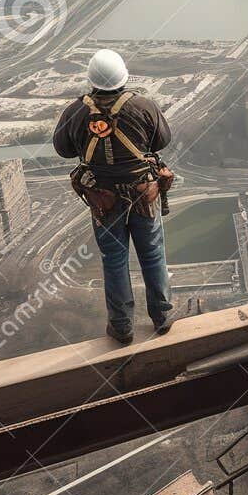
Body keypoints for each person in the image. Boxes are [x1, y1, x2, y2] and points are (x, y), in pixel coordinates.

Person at [53, 48, 175, 344]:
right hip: (143, 193)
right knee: (152, 253)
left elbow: (64, 149)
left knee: (115, 259)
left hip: (103, 200)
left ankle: (122, 327)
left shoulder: (75, 112)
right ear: (124, 76)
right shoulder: (143, 106)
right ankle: (162, 317)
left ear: (91, 79)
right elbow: (163, 140)